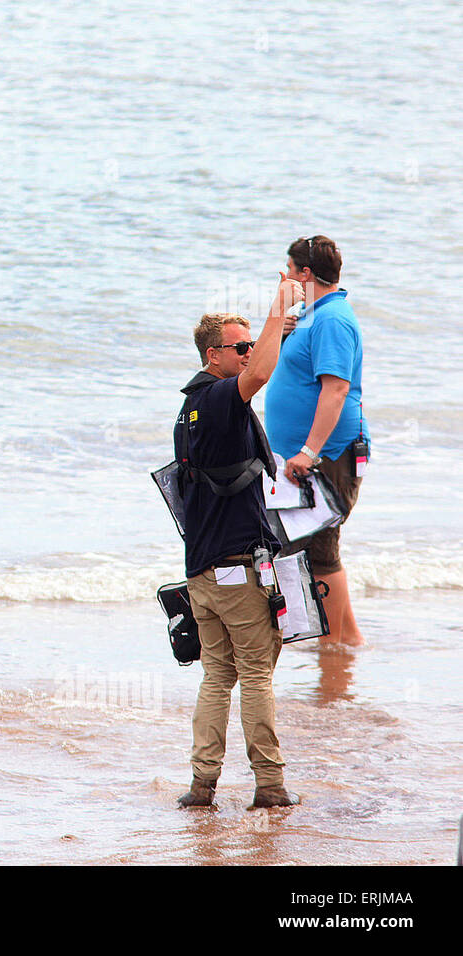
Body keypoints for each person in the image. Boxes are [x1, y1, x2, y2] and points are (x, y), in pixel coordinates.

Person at [174, 280, 302, 811]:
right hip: (234, 568)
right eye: (239, 346)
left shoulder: (192, 407)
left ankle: (202, 786)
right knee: (254, 674)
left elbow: (256, 368)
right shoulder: (221, 400)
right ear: (213, 354)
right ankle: (269, 785)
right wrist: (276, 309)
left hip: (204, 573)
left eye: (252, 344)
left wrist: (276, 328)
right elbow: (261, 376)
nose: (249, 354)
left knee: (217, 676)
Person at [265, 236, 367, 647]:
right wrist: (285, 323)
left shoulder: (332, 319)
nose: (285, 277)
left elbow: (336, 390)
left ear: (305, 274)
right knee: (314, 550)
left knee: (321, 552)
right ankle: (347, 643)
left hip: (328, 454)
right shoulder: (312, 315)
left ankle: (338, 646)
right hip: (308, 454)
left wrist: (308, 451)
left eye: (289, 270)